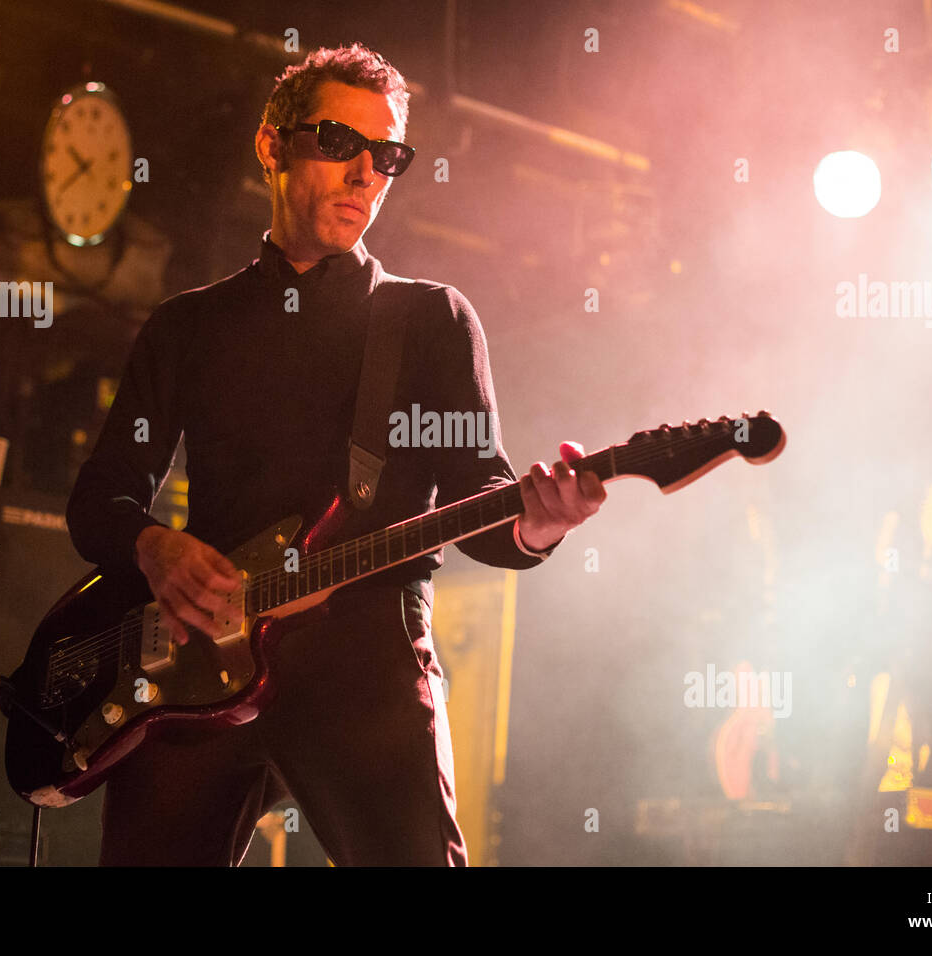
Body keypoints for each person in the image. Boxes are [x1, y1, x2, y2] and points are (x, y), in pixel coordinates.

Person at [66, 43, 605, 866]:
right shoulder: (188, 327)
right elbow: (100, 496)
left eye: (387, 155)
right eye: (337, 142)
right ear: (270, 146)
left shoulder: (429, 322)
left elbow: (483, 502)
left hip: (367, 662)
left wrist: (542, 525)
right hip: (201, 659)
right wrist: (155, 545)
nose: (365, 174)